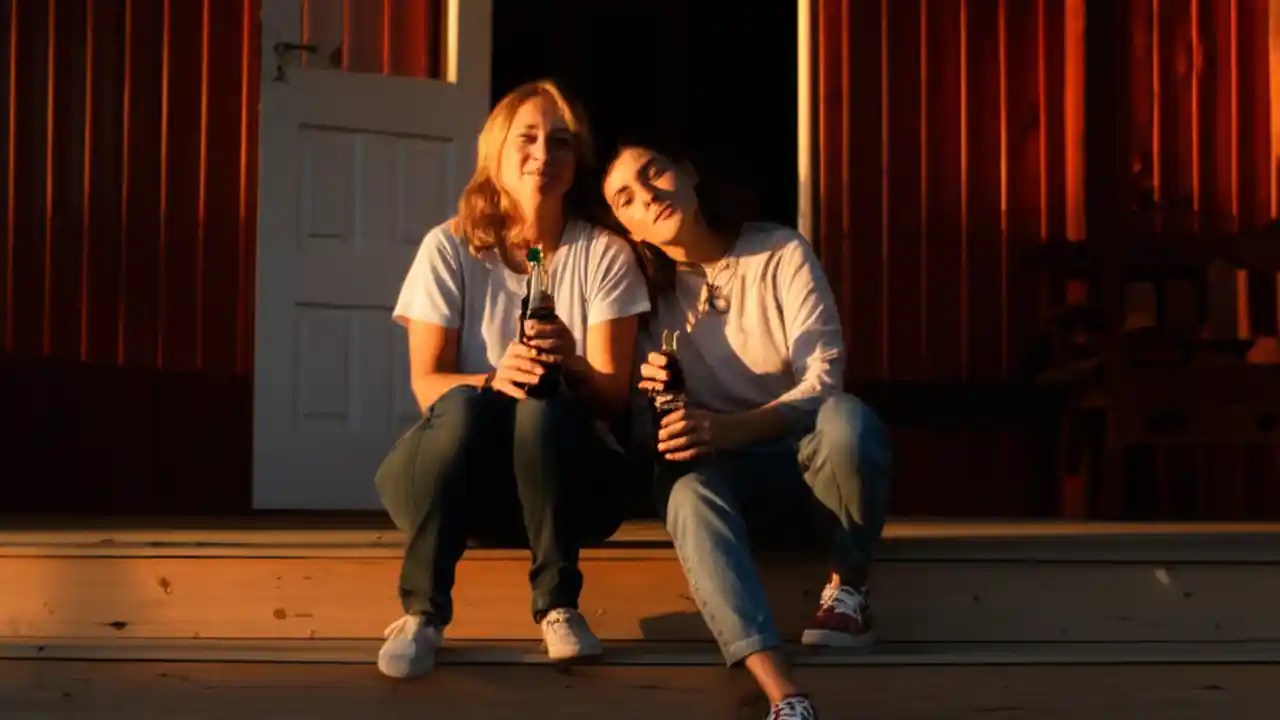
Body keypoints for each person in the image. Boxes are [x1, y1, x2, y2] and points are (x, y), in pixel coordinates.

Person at [601, 138, 892, 720]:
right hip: (729, 489)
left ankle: (849, 587)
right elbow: (639, 429)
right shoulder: (643, 299)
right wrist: (665, 403)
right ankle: (784, 695)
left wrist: (727, 429)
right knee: (684, 491)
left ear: (687, 171)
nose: (648, 195)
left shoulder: (779, 249)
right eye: (625, 199)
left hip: (809, 473)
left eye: (655, 172)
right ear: (628, 229)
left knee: (848, 419)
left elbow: (823, 379)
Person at [373, 79, 651, 679]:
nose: (542, 156)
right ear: (495, 153)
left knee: (544, 402)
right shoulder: (448, 248)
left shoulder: (604, 254)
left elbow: (611, 398)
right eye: (527, 138)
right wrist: (494, 379)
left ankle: (557, 606)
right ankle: (422, 614)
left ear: (577, 164)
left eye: (560, 142)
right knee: (468, 403)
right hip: (454, 485)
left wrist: (572, 364)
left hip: (565, 490)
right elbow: (425, 384)